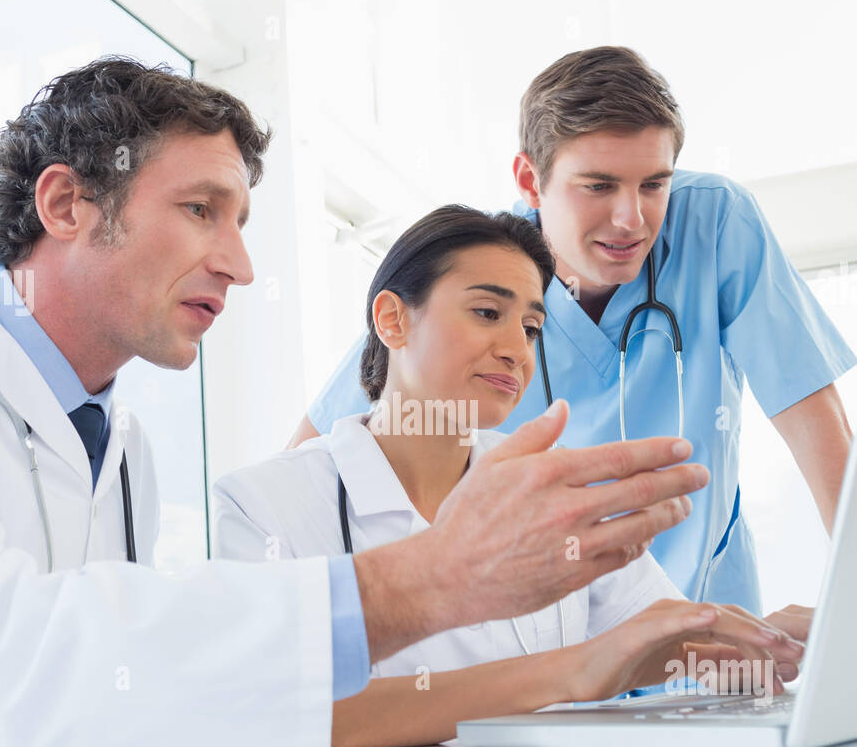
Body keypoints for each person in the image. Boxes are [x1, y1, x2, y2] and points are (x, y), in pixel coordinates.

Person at [0, 59, 709, 747]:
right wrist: (436, 582)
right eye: (200, 210)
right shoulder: (267, 496)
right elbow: (24, 668)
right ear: (64, 204)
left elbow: (138, 708)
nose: (240, 266)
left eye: (529, 326)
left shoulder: (122, 449)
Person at [214, 206, 806, 747]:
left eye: (529, 328)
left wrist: (766, 644)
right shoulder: (265, 505)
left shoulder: (548, 486)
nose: (516, 351)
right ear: (393, 320)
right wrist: (569, 674)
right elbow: (271, 715)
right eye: (487, 313)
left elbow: (650, 634)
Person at [290, 47, 855, 615]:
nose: (632, 219)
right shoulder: (477, 268)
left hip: (704, 627)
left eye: (654, 184)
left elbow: (816, 425)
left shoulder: (715, 223)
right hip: (538, 642)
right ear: (531, 182)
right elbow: (315, 459)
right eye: (598, 186)